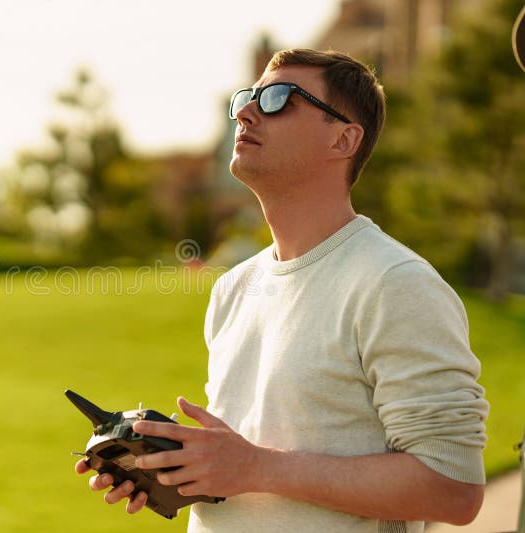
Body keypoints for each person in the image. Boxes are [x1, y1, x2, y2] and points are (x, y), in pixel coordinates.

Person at [75, 48, 489, 532]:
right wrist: (180, 467)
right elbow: (251, 465)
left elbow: (454, 488)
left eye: (278, 98)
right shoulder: (234, 287)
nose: (247, 112)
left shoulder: (394, 283)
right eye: (247, 98)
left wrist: (256, 466)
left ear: (343, 139)